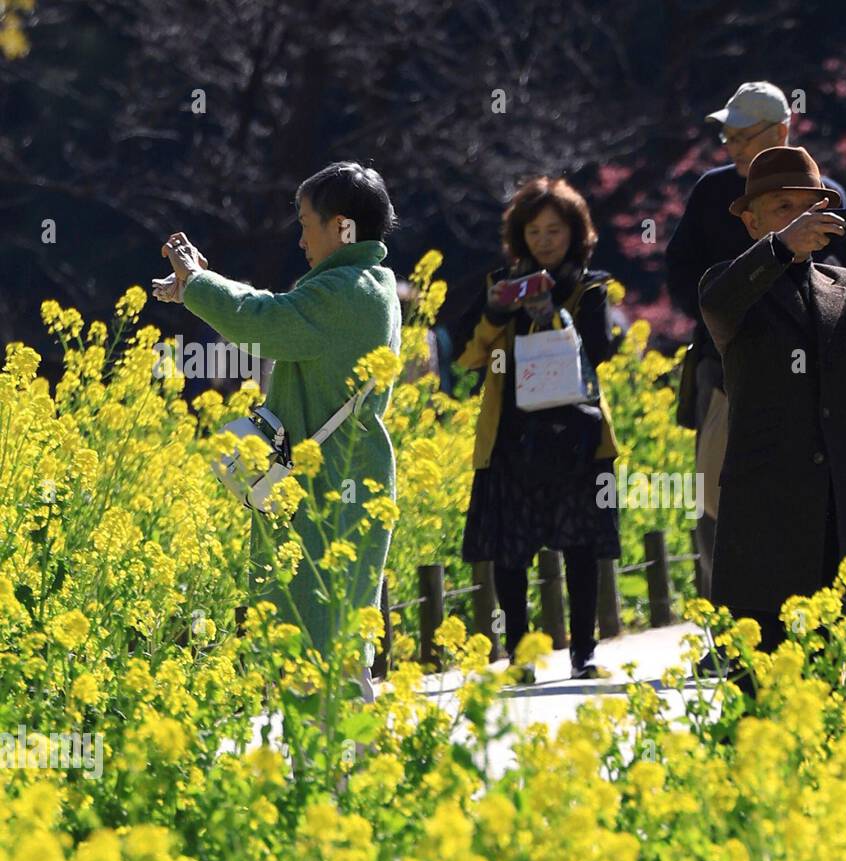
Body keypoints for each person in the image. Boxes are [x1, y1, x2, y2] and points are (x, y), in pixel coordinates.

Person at [154, 161, 401, 702]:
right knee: (315, 640)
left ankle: (338, 777)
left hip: (331, 487)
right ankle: (323, 774)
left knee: (321, 641)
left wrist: (198, 282)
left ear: (342, 228)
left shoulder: (350, 292)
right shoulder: (361, 284)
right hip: (329, 479)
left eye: (307, 222)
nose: (300, 237)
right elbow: (278, 313)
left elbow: (265, 322)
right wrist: (196, 287)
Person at [698, 145, 846, 664]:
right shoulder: (730, 284)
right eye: (782, 208)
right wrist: (781, 250)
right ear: (751, 222)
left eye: (810, 208)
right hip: (763, 518)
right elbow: (718, 306)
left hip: (844, 517)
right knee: (759, 686)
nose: (799, 219)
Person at [666, 81, 846, 605]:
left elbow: (843, 285)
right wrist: (719, 318)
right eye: (726, 137)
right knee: (714, 492)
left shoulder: (822, 191)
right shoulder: (711, 191)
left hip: (805, 375)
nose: (730, 147)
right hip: (722, 367)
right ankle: (723, 618)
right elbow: (681, 270)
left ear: (781, 131)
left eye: (741, 136)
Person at [455, 176, 620, 680]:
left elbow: (599, 354)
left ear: (576, 232)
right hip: (510, 438)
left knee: (582, 549)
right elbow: (465, 357)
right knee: (511, 553)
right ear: (519, 236)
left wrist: (552, 316)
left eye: (555, 230)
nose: (545, 241)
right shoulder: (499, 287)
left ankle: (584, 652)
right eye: (534, 232)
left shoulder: (591, 287)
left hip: (578, 438)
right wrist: (496, 312)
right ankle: (522, 655)